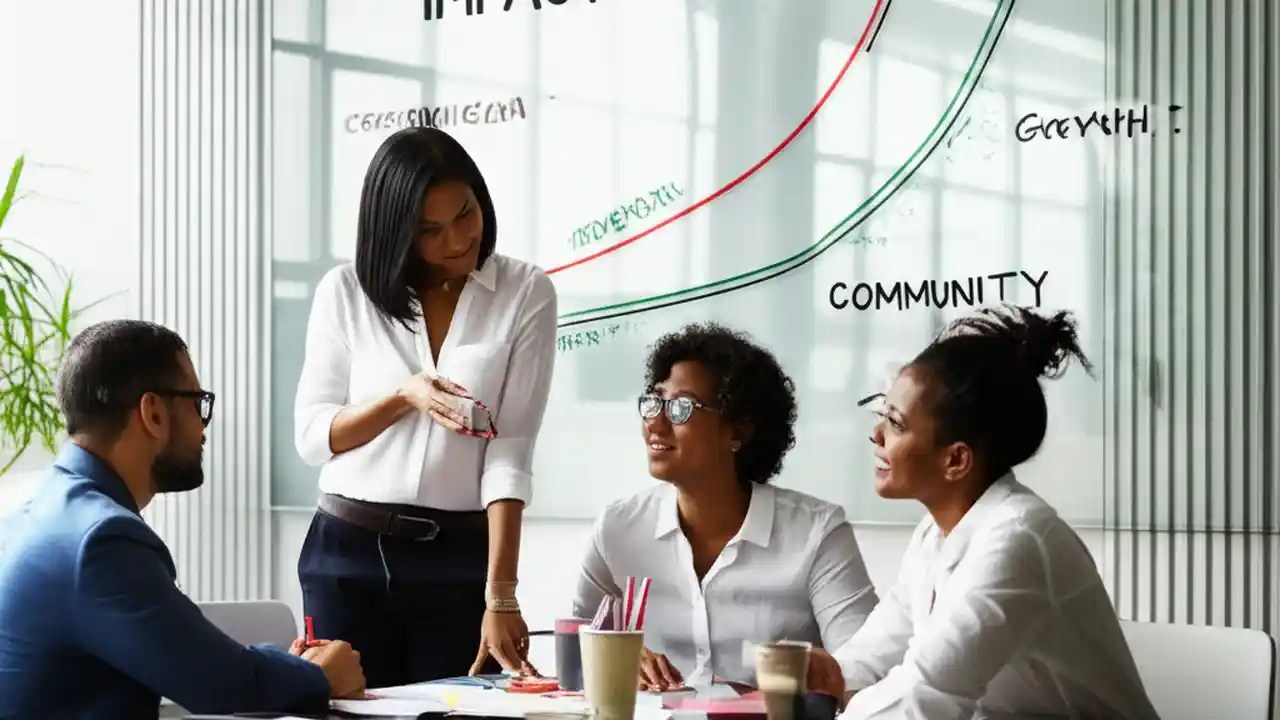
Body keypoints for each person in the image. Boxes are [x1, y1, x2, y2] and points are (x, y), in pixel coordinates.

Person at [294, 126, 557, 688]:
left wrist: (502, 594)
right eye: (430, 231)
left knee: (455, 707)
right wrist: (403, 396)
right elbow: (315, 435)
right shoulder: (345, 291)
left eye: (466, 213)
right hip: (346, 553)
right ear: (395, 232)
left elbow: (509, 455)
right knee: (345, 709)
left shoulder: (525, 291)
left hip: (458, 557)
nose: (459, 240)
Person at [0, 320, 365, 718]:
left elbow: (195, 659)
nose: (203, 430)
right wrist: (322, 676)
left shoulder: (37, 508)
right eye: (197, 403)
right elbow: (218, 684)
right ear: (153, 413)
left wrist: (291, 669)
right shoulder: (101, 540)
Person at [807, 305, 1158, 719]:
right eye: (881, 414)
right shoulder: (933, 535)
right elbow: (883, 644)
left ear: (956, 460)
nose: (876, 433)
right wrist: (831, 673)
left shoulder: (1017, 540)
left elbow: (925, 692)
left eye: (897, 424)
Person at [572, 323, 878, 690]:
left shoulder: (817, 533)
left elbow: (864, 667)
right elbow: (575, 650)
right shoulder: (619, 528)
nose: (655, 421)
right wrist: (616, 658)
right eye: (655, 401)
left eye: (681, 407)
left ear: (739, 430)